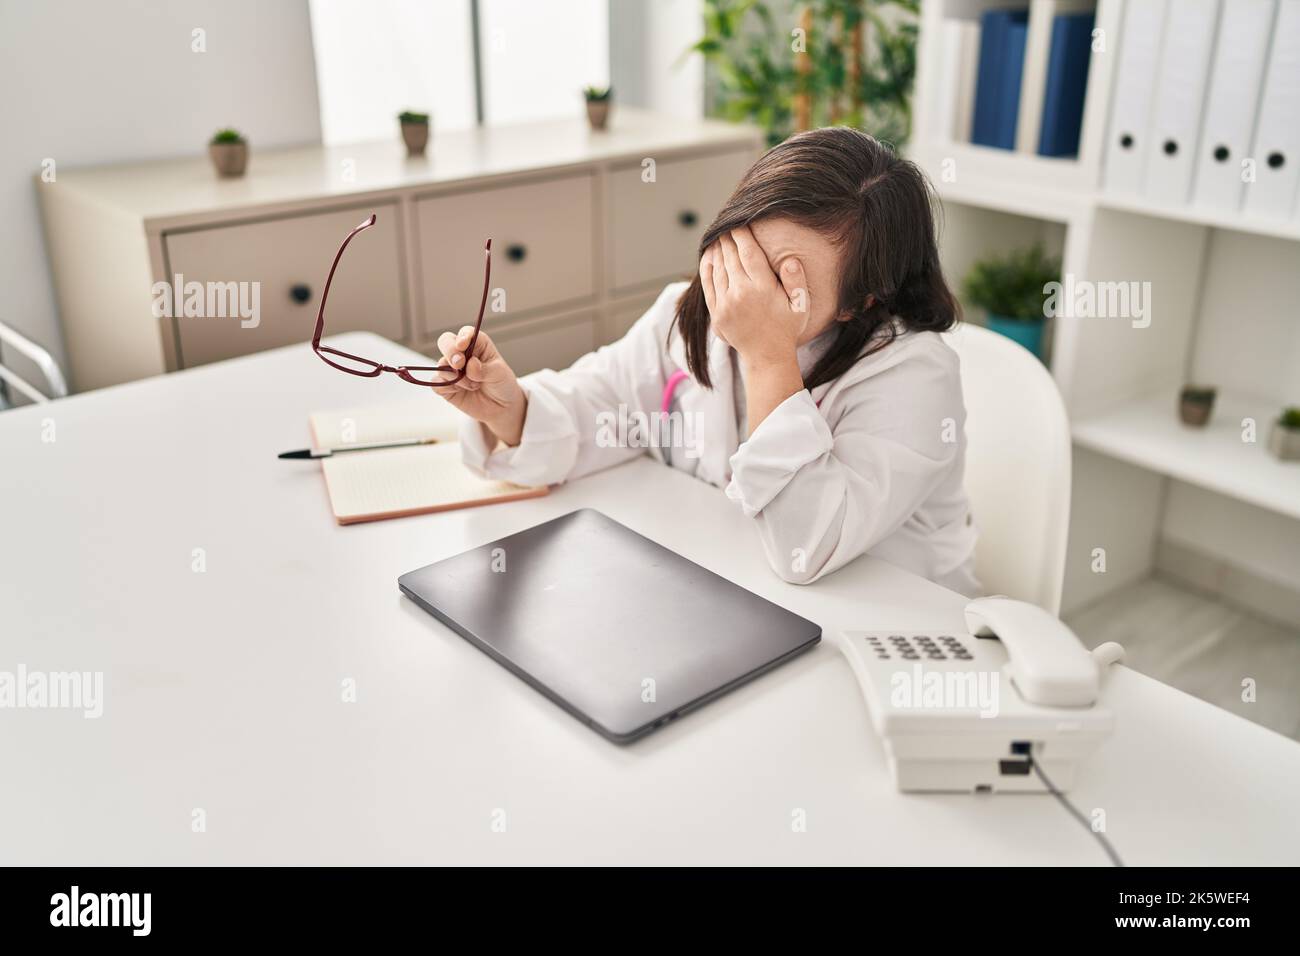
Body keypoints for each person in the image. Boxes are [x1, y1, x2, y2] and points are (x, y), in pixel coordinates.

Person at [433, 126, 979, 594]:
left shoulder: (915, 377)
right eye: (745, 256)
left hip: (890, 624)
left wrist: (768, 358)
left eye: (785, 280)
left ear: (859, 301)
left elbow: (806, 548)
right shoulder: (683, 315)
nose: (746, 292)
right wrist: (511, 412)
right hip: (732, 588)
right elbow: (603, 406)